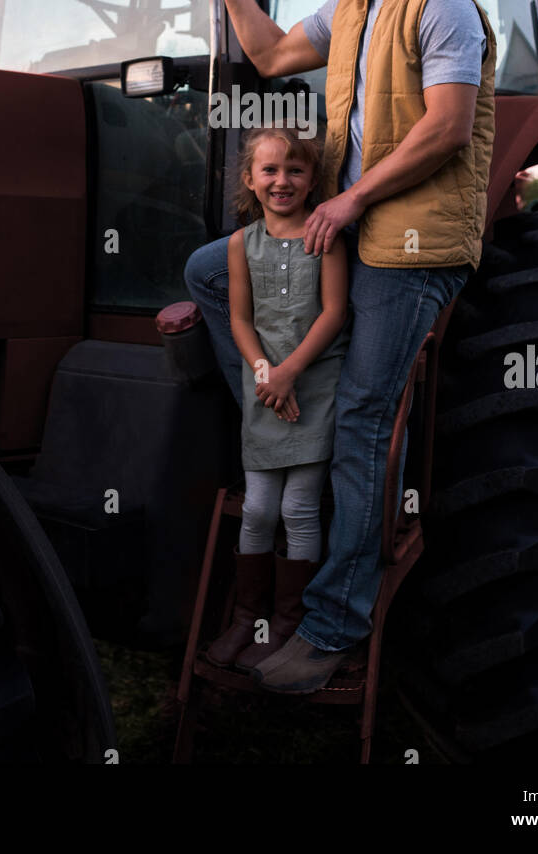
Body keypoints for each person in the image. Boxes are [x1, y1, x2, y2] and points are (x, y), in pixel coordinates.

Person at [185, 0, 496, 693]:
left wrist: (349, 200)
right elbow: (266, 51)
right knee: (210, 270)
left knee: (362, 424)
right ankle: (279, 400)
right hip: (352, 223)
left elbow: (447, 127)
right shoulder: (349, 8)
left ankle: (335, 626)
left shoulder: (443, 6)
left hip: (412, 241)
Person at [206, 126, 350, 671]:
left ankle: (288, 623)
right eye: (269, 170)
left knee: (298, 508)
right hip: (264, 384)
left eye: (294, 170)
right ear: (250, 179)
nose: (282, 181)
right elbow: (240, 318)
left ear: (313, 179)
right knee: (260, 508)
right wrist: (268, 374)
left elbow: (334, 313)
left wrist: (290, 373)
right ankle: (248, 619)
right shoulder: (243, 243)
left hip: (314, 383)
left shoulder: (325, 237)